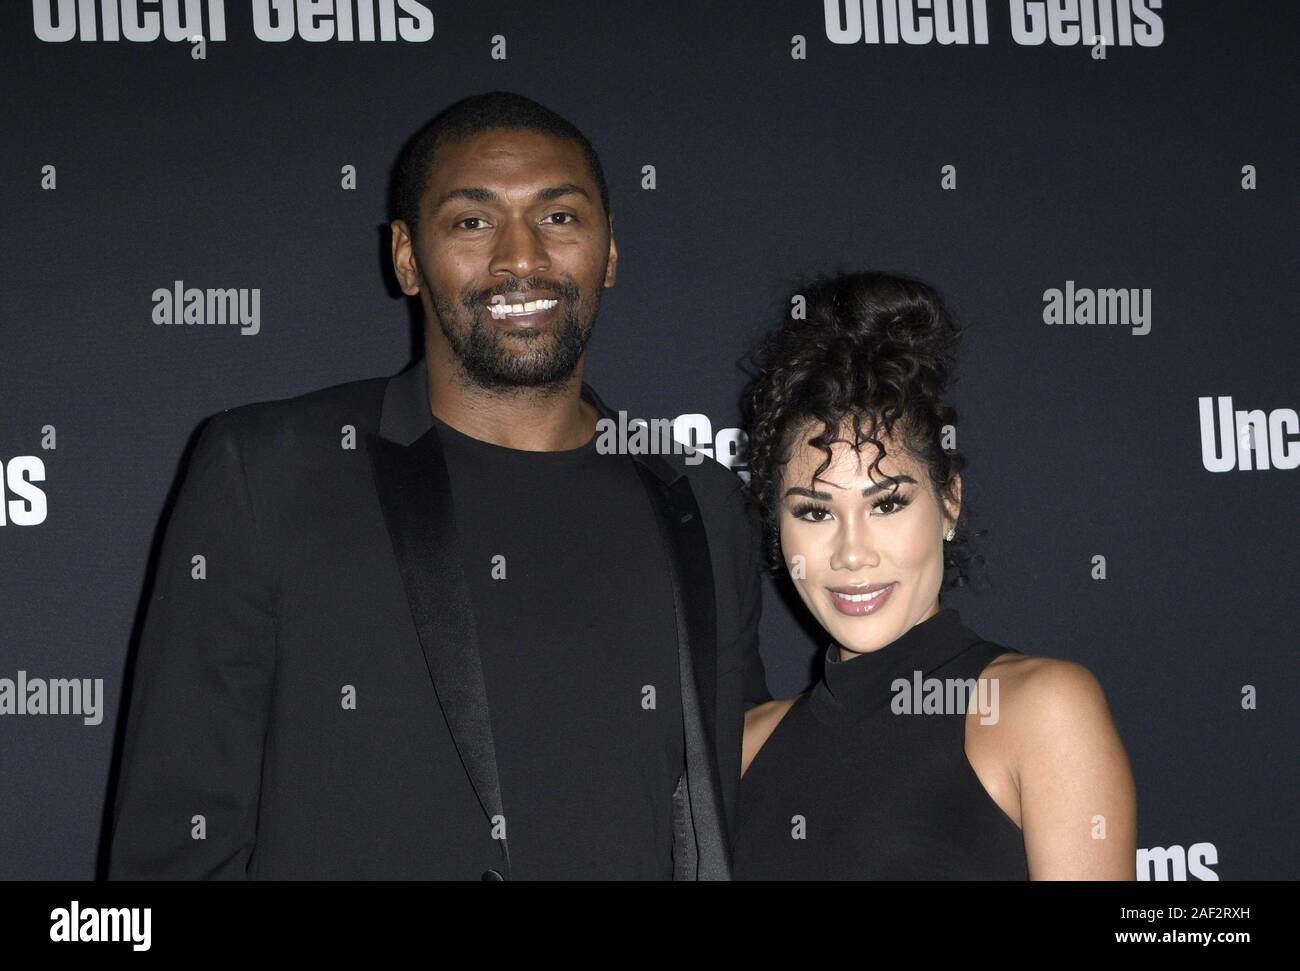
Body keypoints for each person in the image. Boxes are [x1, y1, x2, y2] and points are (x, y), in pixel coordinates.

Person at [108, 91, 769, 880]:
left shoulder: (700, 500)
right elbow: (175, 847)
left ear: (611, 250)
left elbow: (726, 808)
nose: (521, 257)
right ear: (406, 257)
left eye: (559, 217)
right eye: (472, 221)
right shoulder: (269, 470)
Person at [732, 271, 1136, 879]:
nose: (851, 553)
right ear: (778, 530)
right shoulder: (744, 748)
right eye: (815, 512)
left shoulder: (1038, 709)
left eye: (887, 504)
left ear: (948, 503)